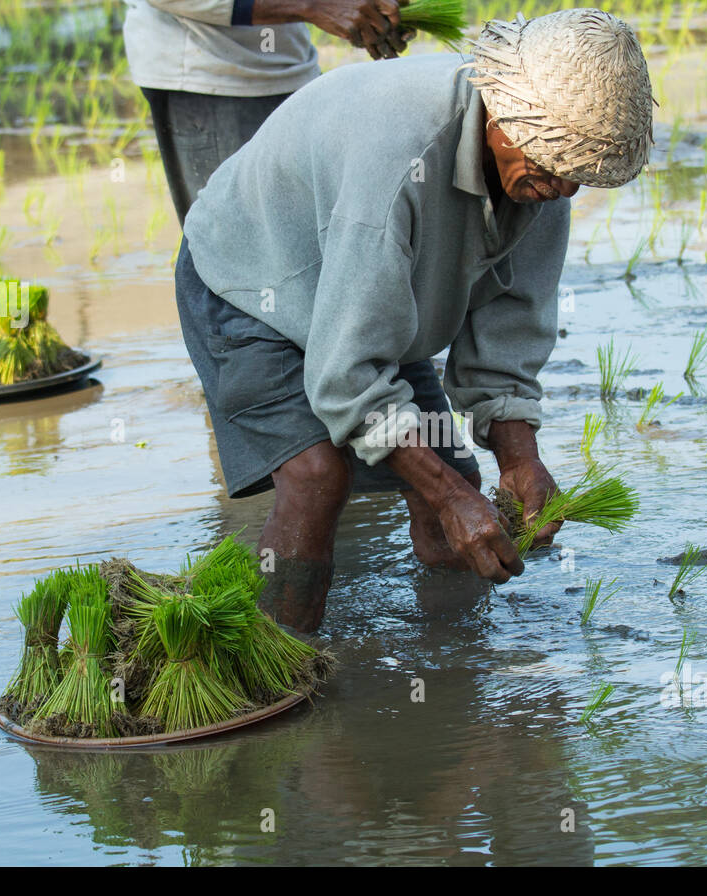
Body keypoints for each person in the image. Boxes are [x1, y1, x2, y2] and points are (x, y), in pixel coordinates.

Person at [174, 8, 655, 632]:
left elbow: (508, 329)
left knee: (457, 481)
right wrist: (452, 500)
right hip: (253, 277)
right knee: (318, 477)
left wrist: (520, 458)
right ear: (501, 107)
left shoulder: (544, 178)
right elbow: (346, 379)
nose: (562, 186)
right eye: (551, 160)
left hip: (359, 294)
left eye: (576, 174)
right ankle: (284, 671)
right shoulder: (401, 159)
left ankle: (451, 666)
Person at [123, 0, 415, 224]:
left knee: (307, 251)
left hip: (290, 69)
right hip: (212, 78)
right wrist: (314, 5)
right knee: (237, 262)